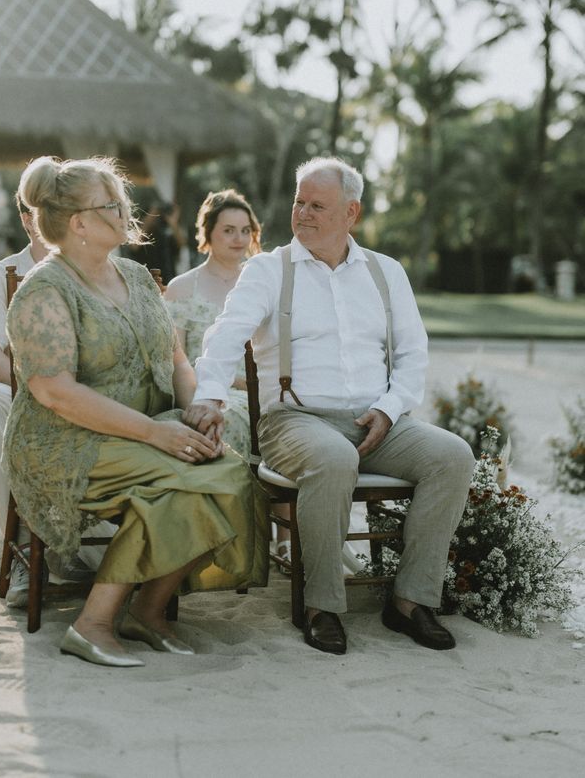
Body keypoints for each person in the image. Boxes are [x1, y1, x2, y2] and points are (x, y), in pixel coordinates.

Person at [185, 156, 475, 656]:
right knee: (335, 459)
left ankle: (410, 601)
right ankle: (322, 606)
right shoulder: (268, 269)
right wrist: (209, 394)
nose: (304, 214)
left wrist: (388, 408)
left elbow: (412, 355)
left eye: (318, 205)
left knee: (453, 457)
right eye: (300, 202)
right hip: (294, 420)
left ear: (351, 213)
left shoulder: (387, 273)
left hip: (377, 419)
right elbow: (225, 336)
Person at [4, 155, 267, 667]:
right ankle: (93, 623)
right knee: (183, 482)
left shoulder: (137, 277)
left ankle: (146, 612)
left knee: (233, 472)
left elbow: (177, 360)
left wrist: (200, 409)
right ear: (79, 223)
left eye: (122, 201)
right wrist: (154, 434)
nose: (128, 210)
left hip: (148, 430)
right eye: (113, 204)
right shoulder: (45, 291)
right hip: (67, 442)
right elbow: (56, 393)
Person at [0, 196, 104, 605]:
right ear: (25, 218)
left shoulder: (98, 271)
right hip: (23, 393)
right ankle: (25, 550)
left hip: (92, 398)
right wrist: (42, 388)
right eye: (36, 209)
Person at [162, 189, 261, 460]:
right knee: (202, 424)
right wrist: (197, 399)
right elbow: (174, 360)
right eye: (229, 230)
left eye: (245, 230)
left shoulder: (263, 284)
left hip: (258, 391)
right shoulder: (181, 288)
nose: (239, 239)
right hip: (199, 391)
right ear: (208, 231)